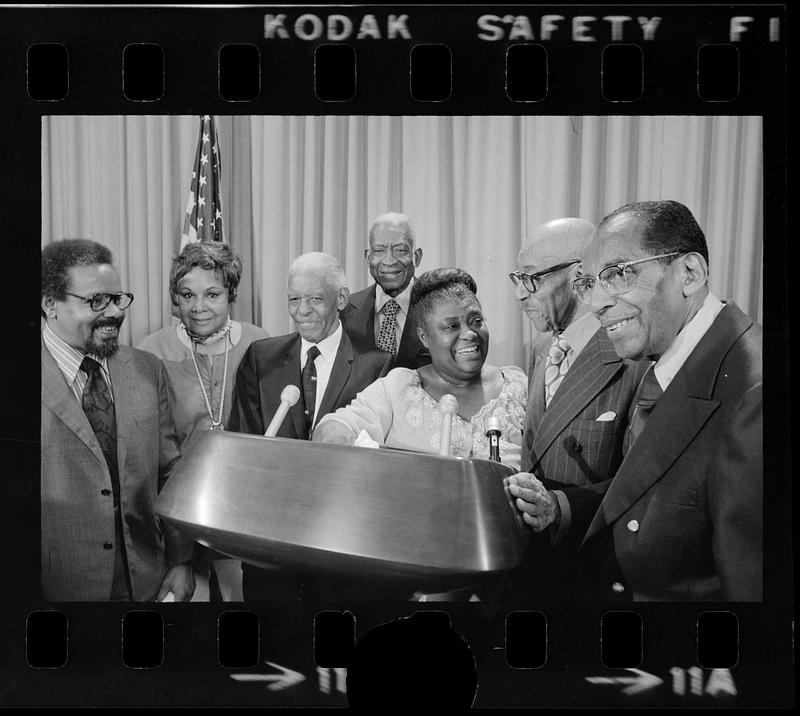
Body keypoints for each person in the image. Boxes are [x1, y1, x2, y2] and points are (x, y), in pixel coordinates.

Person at [509, 200, 763, 601]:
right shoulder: (670, 360)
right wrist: (559, 508)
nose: (596, 303)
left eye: (619, 273)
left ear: (690, 273)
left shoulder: (754, 390)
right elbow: (640, 493)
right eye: (591, 283)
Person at [228, 251, 393, 604]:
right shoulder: (260, 358)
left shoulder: (377, 366)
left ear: (342, 299)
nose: (302, 311)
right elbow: (242, 454)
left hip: (342, 556)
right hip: (271, 555)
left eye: (315, 299)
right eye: (294, 299)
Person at [41, 239, 194, 601]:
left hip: (146, 583)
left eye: (117, 298)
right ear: (50, 304)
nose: (113, 312)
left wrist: (181, 560)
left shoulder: (146, 369)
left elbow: (169, 473)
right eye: (96, 301)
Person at [507, 218, 648, 600]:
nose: (520, 293)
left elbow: (642, 484)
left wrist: (560, 507)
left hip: (592, 575)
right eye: (517, 279)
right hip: (534, 571)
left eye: (531, 278)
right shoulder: (543, 349)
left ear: (577, 276)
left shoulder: (631, 355)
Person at [137, 241, 268, 602]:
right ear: (174, 298)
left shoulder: (259, 344)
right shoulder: (151, 351)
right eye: (187, 295)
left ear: (231, 294)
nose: (198, 307)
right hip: (177, 516)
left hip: (242, 514)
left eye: (212, 294)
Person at [315, 268, 527, 470]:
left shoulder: (519, 387)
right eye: (451, 326)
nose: (469, 333)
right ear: (424, 337)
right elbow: (337, 427)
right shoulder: (399, 388)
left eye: (476, 321)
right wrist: (337, 435)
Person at [340, 212, 430, 369]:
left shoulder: (437, 307)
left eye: (400, 250)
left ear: (417, 257)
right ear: (368, 258)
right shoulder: (344, 311)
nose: (389, 261)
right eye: (379, 251)